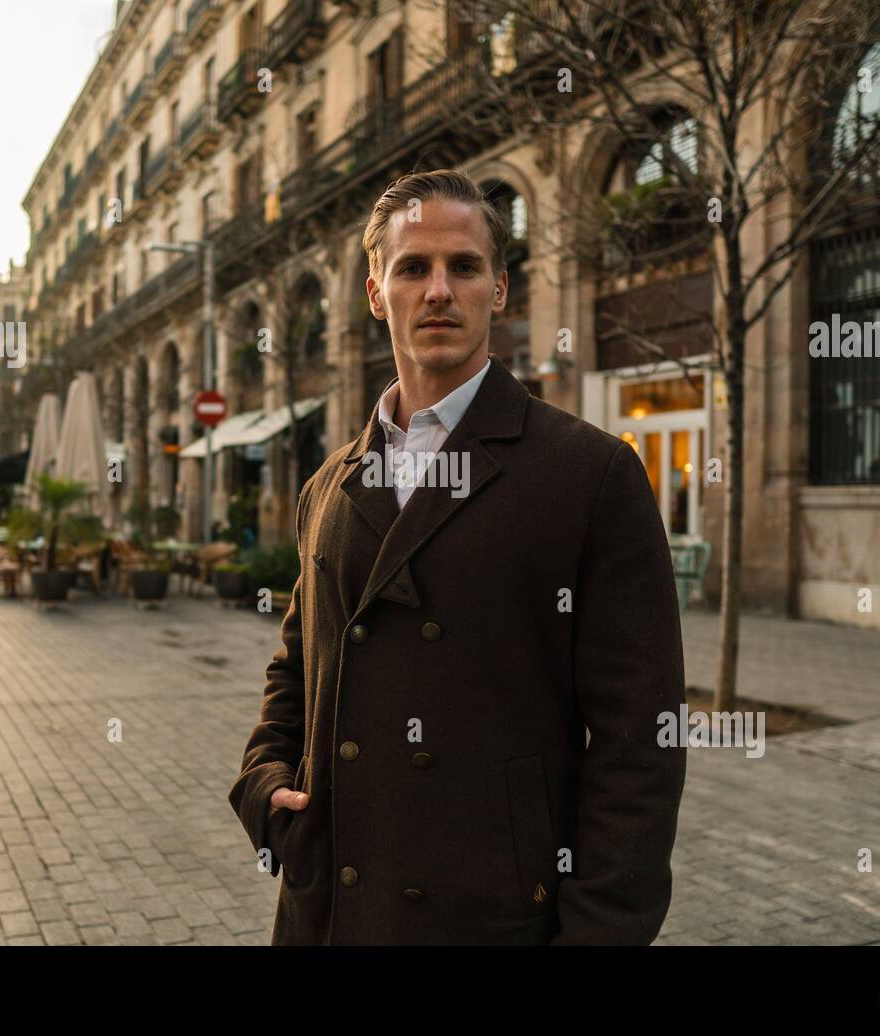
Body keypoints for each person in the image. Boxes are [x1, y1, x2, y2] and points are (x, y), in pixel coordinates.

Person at [228, 170, 686, 946]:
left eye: (463, 267)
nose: (438, 290)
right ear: (377, 293)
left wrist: (601, 931)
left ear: (500, 289)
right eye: (413, 268)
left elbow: (640, 740)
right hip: (330, 907)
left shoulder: (590, 474)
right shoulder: (328, 485)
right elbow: (296, 664)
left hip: (494, 916)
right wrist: (264, 784)